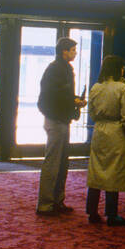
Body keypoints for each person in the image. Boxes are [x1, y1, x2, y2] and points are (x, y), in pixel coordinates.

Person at [85, 54, 125, 225]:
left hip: (99, 130)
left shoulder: (96, 88)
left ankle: (92, 211)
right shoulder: (123, 89)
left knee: (97, 171)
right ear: (118, 69)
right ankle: (111, 214)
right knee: (113, 173)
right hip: (117, 132)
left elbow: (92, 113)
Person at [36, 37, 86, 216]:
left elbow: (60, 94)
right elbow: (54, 95)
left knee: (62, 163)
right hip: (56, 120)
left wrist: (74, 101)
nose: (75, 53)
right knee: (53, 163)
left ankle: (57, 201)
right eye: (73, 50)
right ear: (64, 51)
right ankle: (45, 204)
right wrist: (74, 100)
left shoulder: (62, 68)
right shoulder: (55, 69)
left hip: (61, 119)